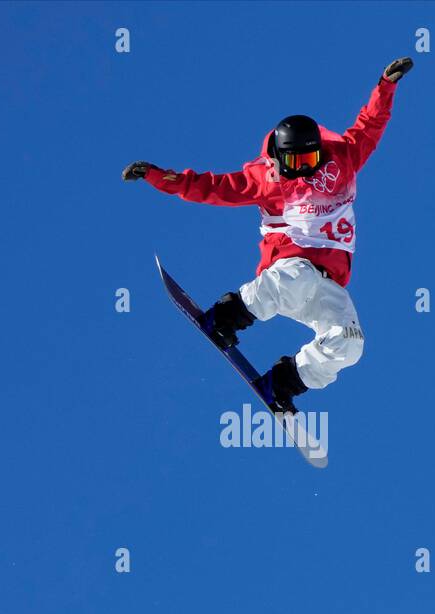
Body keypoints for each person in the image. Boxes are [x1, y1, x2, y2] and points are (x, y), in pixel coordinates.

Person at [123, 56, 413, 411]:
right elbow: (209, 186)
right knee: (297, 276)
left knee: (350, 341)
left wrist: (386, 86)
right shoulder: (267, 179)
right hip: (289, 266)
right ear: (281, 156)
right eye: (296, 164)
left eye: (310, 162)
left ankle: (286, 382)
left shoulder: (343, 159)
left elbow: (370, 125)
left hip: (329, 282)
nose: (303, 171)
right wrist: (157, 176)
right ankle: (227, 316)